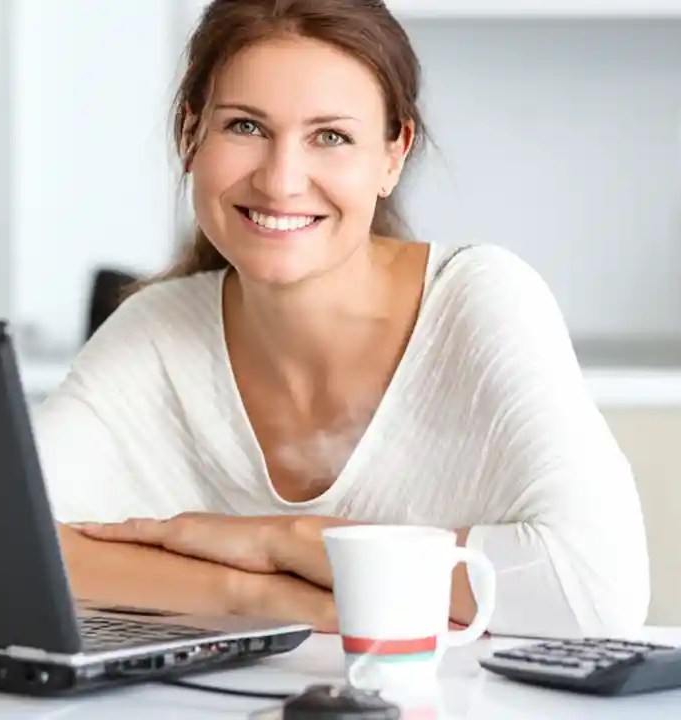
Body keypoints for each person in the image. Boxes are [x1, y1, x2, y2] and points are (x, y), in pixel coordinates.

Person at [35, 0, 649, 638]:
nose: (281, 180)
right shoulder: (156, 330)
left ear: (393, 155)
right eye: (246, 127)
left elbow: (592, 592)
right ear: (190, 135)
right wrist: (258, 595)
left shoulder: (479, 299)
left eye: (330, 136)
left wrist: (286, 540)